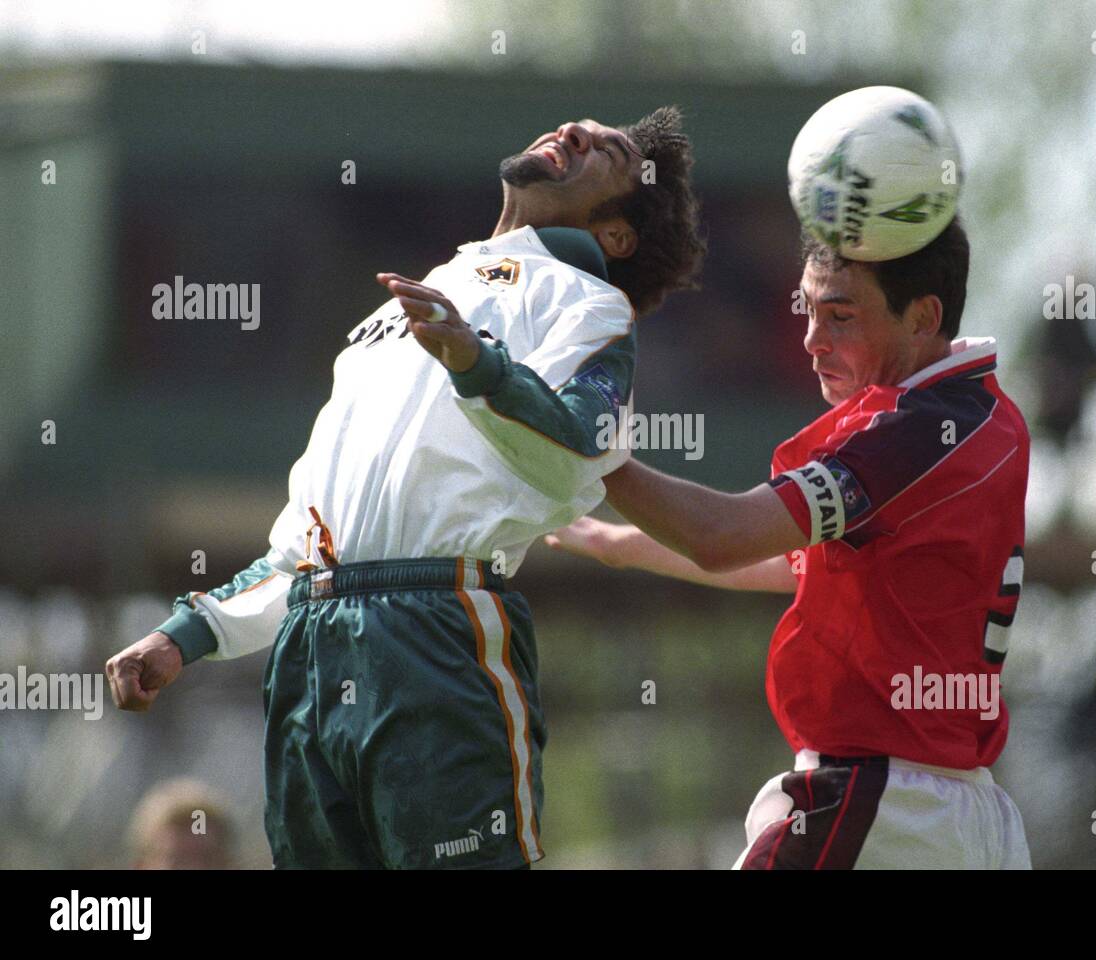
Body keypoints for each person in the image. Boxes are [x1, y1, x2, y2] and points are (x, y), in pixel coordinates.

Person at [105, 107, 706, 869]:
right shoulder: (399, 308)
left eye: (608, 150)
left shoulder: (588, 304)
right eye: (573, 126)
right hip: (310, 648)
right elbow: (304, 543)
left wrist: (474, 363)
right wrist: (185, 635)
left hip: (438, 636)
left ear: (617, 236)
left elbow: (579, 449)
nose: (574, 133)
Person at [548, 218, 1033, 869]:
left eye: (841, 316)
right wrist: (623, 544)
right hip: (966, 814)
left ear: (922, 318)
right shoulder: (985, 417)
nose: (811, 340)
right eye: (808, 312)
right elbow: (792, 563)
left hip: (882, 808)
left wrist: (585, 447)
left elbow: (722, 535)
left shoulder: (909, 435)